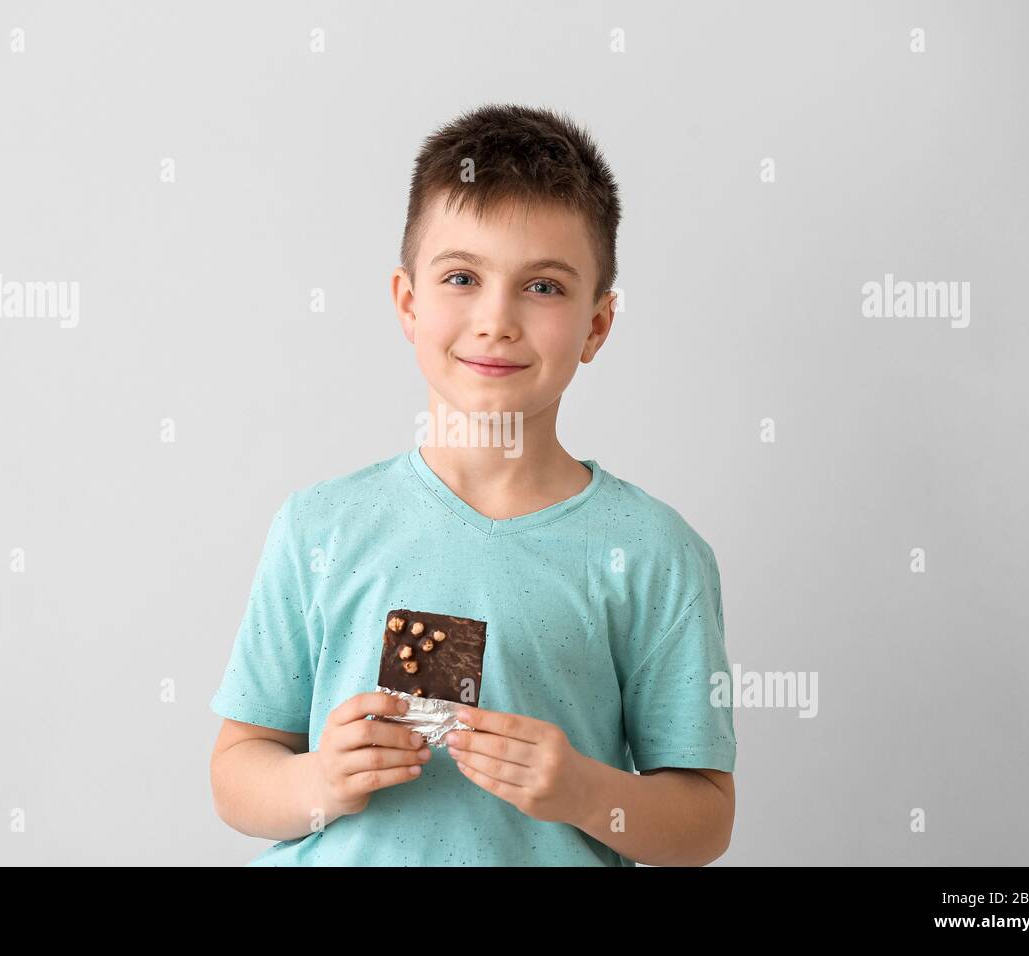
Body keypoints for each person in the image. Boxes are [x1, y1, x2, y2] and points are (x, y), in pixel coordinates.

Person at [209, 103, 736, 866]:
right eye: (462, 277)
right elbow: (237, 774)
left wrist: (585, 791)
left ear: (596, 325)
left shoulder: (655, 552)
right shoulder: (319, 527)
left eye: (544, 287)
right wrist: (322, 779)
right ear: (408, 302)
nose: (496, 320)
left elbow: (703, 823)